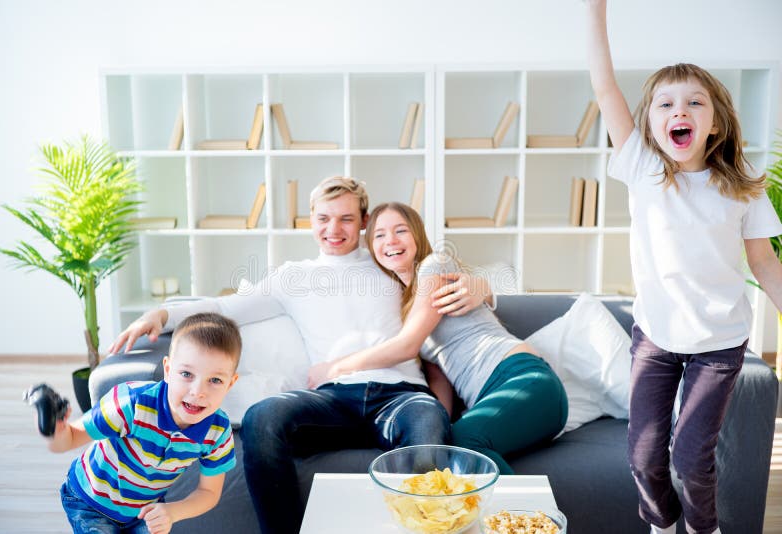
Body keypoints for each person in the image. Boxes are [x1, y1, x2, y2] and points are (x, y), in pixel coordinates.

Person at [108, 176, 490, 534]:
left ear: (364, 221)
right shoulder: (294, 277)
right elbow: (226, 309)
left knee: (429, 425)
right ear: (311, 220)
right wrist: (161, 314)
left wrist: (482, 286)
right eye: (323, 218)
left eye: (346, 219)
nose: (334, 229)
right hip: (332, 398)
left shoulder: (389, 261)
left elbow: (448, 283)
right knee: (263, 416)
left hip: (402, 394)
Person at [584, 2, 782, 533]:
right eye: (666, 103)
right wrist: (594, 12)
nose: (681, 110)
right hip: (655, 339)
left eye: (695, 102)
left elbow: (764, 262)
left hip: (718, 343)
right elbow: (606, 88)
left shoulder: (743, 188)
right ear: (650, 122)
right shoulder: (642, 168)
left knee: (692, 458)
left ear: (714, 124)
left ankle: (703, 528)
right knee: (644, 457)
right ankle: (661, 525)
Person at [308, 202, 569, 475]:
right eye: (380, 235)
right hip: (498, 397)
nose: (391, 241)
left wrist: (333, 368)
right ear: (372, 247)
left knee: (466, 443)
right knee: (449, 448)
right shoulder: (408, 306)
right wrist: (437, 430)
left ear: (417, 236)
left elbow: (406, 346)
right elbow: (439, 378)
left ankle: (524, 516)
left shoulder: (435, 266)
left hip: (523, 379)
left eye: (400, 231)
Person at [44, 313, 241, 534]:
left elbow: (209, 493)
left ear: (230, 383)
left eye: (215, 380)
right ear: (167, 370)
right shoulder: (130, 403)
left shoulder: (218, 431)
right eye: (186, 374)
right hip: (90, 502)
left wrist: (173, 512)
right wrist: (54, 429)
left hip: (143, 511)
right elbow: (67, 440)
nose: (198, 392)